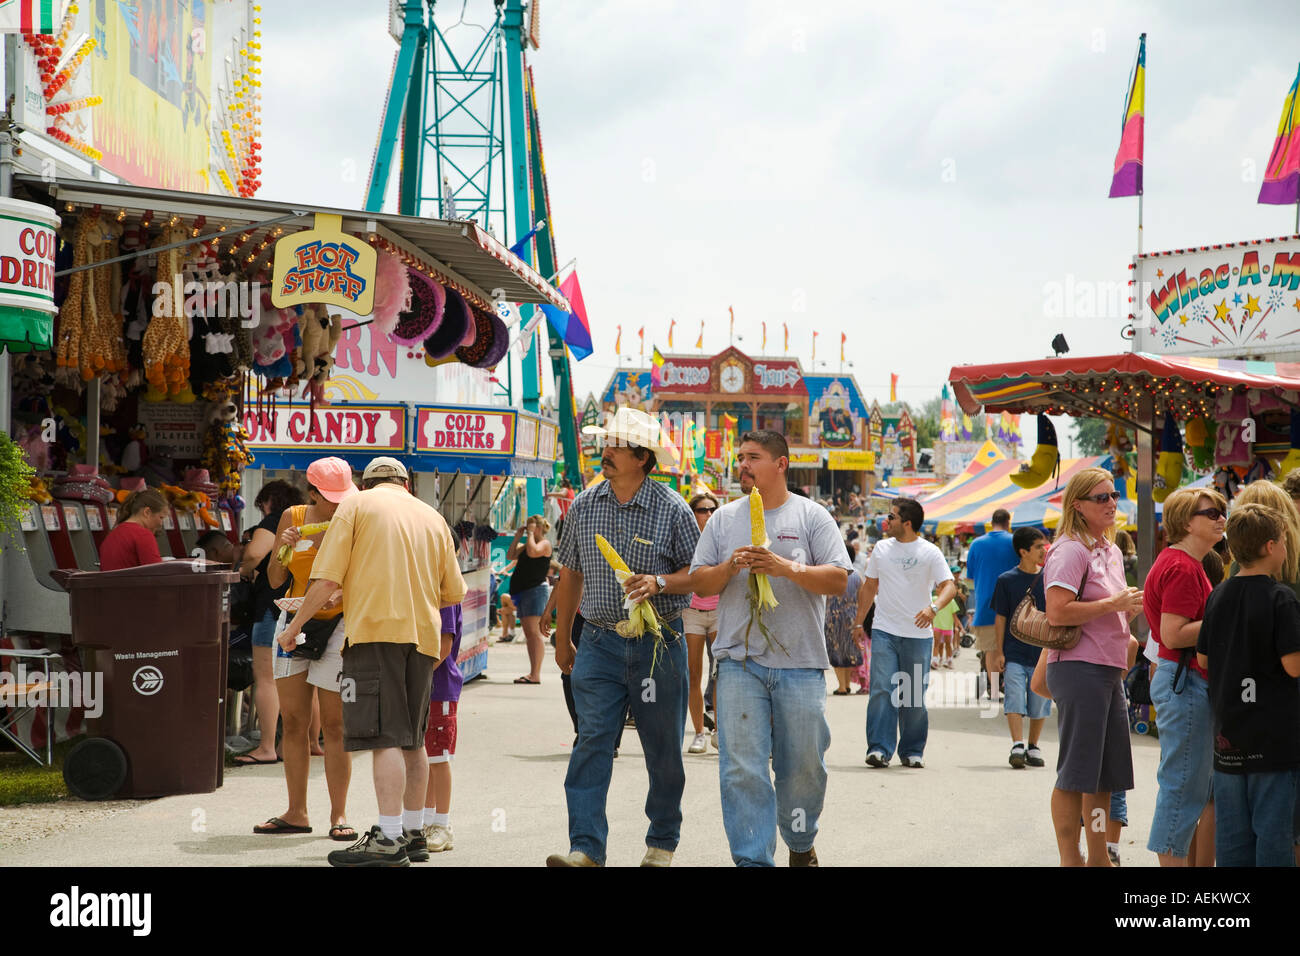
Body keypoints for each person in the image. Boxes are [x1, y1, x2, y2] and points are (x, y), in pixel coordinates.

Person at [281, 456, 467, 867]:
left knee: (383, 737)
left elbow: (326, 577)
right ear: (406, 484)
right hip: (423, 639)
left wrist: (294, 627)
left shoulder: (355, 507)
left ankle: (387, 836)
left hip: (375, 635)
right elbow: (453, 592)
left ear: (365, 484)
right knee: (412, 740)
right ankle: (414, 834)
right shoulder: (432, 518)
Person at [548, 408, 700, 867]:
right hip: (597, 641)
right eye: (606, 444)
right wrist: (561, 636)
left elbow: (697, 573)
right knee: (592, 741)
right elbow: (571, 571)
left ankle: (661, 842)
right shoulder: (584, 505)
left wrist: (660, 581)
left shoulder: (673, 509)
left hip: (661, 644)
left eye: (616, 446)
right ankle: (585, 849)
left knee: (663, 748)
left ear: (641, 457)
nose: (606, 452)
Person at [691, 430, 851, 866]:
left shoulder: (812, 516)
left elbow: (839, 579)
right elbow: (699, 579)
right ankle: (752, 860)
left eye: (753, 458)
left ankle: (800, 844)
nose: (742, 465)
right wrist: (729, 566)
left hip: (800, 663)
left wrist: (785, 567)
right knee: (742, 769)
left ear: (781, 464)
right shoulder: (723, 519)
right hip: (739, 661)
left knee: (803, 767)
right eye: (740, 458)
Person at [1041, 467, 1143, 867]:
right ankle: (1071, 859)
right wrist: (1112, 606)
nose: (1112, 503)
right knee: (1076, 773)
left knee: (1103, 776)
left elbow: (1104, 611)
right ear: (1078, 505)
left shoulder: (1111, 550)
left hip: (1106, 668)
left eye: (1114, 495)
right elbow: (1057, 611)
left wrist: (1123, 613)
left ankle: (1098, 857)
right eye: (1102, 497)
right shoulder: (1070, 550)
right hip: (1078, 667)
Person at [255, 458, 357, 842]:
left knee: (336, 725)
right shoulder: (293, 516)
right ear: (312, 492)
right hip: (294, 618)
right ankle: (296, 811)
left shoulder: (356, 513)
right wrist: (283, 549)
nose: (337, 503)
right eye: (329, 497)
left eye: (341, 496)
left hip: (341, 622)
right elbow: (276, 579)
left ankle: (340, 813)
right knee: (294, 721)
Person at [1197, 503, 1300, 867]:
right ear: (1271, 547)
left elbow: (1204, 659)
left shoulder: (1218, 596)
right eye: (1285, 541)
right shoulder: (1281, 598)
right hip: (1273, 745)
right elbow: (1293, 665)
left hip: (1229, 743)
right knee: (1273, 840)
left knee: (1233, 842)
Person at [1141, 486, 1227, 868]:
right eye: (1210, 513)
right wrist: (1226, 618)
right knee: (1182, 787)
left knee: (1187, 785)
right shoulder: (1182, 566)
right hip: (1184, 680)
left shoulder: (1183, 561)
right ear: (1185, 522)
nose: (1220, 518)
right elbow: (1173, 633)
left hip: (1182, 679)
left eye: (1221, 511)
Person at [858, 496, 957, 769]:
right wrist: (857, 623)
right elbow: (869, 588)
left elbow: (949, 586)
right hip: (884, 631)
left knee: (912, 696)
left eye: (891, 517)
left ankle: (912, 750)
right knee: (881, 689)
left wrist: (933, 608)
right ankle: (879, 748)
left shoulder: (930, 552)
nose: (886, 521)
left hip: (918, 635)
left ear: (907, 523)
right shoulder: (880, 549)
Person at [235, 479, 306, 766]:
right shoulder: (307, 521)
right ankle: (301, 743)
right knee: (300, 679)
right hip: (297, 604)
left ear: (268, 501)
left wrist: (243, 570)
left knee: (265, 678)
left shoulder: (275, 521)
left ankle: (266, 746)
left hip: (270, 606)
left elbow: (254, 553)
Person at [990, 526, 1050, 769]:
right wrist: (999, 652)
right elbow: (1000, 617)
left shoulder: (1049, 578)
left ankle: (1033, 745)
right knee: (1014, 695)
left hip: (1042, 650)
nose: (1043, 551)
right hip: (1014, 651)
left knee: (1039, 701)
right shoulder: (1006, 580)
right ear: (1023, 551)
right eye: (1038, 547)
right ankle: (1017, 744)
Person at [421, 602, 463, 854]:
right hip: (424, 687)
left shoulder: (446, 597)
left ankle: (442, 824)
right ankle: (426, 821)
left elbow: (444, 645)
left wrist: (414, 676)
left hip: (440, 687)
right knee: (425, 759)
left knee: (438, 759)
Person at [964, 509, 1017, 704]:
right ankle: (1012, 690)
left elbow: (969, 577)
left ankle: (994, 691)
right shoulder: (1015, 542)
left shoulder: (977, 544)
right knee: (1012, 651)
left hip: (985, 605)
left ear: (991, 522)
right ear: (1007, 522)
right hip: (1013, 606)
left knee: (990, 649)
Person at [683, 492, 721, 754]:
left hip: (719, 610)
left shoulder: (723, 536)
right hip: (691, 611)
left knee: (721, 674)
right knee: (693, 674)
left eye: (711, 510)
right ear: (692, 512)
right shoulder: (684, 538)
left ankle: (720, 729)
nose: (707, 514)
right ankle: (699, 733)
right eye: (701, 509)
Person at [508, 515, 553, 684]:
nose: (529, 530)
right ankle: (532, 672)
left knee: (534, 634)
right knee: (529, 633)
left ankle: (535, 674)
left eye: (532, 527)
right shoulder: (529, 543)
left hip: (535, 590)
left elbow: (533, 552)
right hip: (524, 591)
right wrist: (518, 537)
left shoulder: (544, 544)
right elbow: (511, 555)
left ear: (539, 527)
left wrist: (532, 534)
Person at [825, 540, 866, 695]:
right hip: (852, 617)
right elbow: (862, 598)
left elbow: (826, 596)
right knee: (848, 650)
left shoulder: (834, 573)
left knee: (836, 649)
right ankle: (847, 684)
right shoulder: (857, 575)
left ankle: (841, 686)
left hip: (833, 617)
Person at [99, 489, 166, 571]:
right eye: (161, 517)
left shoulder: (111, 535)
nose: (161, 524)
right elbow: (158, 574)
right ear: (147, 512)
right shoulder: (143, 535)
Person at [930, 587, 960, 669]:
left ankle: (949, 660)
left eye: (938, 588)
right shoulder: (934, 600)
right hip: (937, 626)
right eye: (936, 588)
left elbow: (954, 616)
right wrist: (931, 624)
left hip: (948, 627)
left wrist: (956, 627)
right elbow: (932, 611)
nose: (936, 589)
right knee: (937, 644)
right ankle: (935, 660)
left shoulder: (951, 601)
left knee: (948, 645)